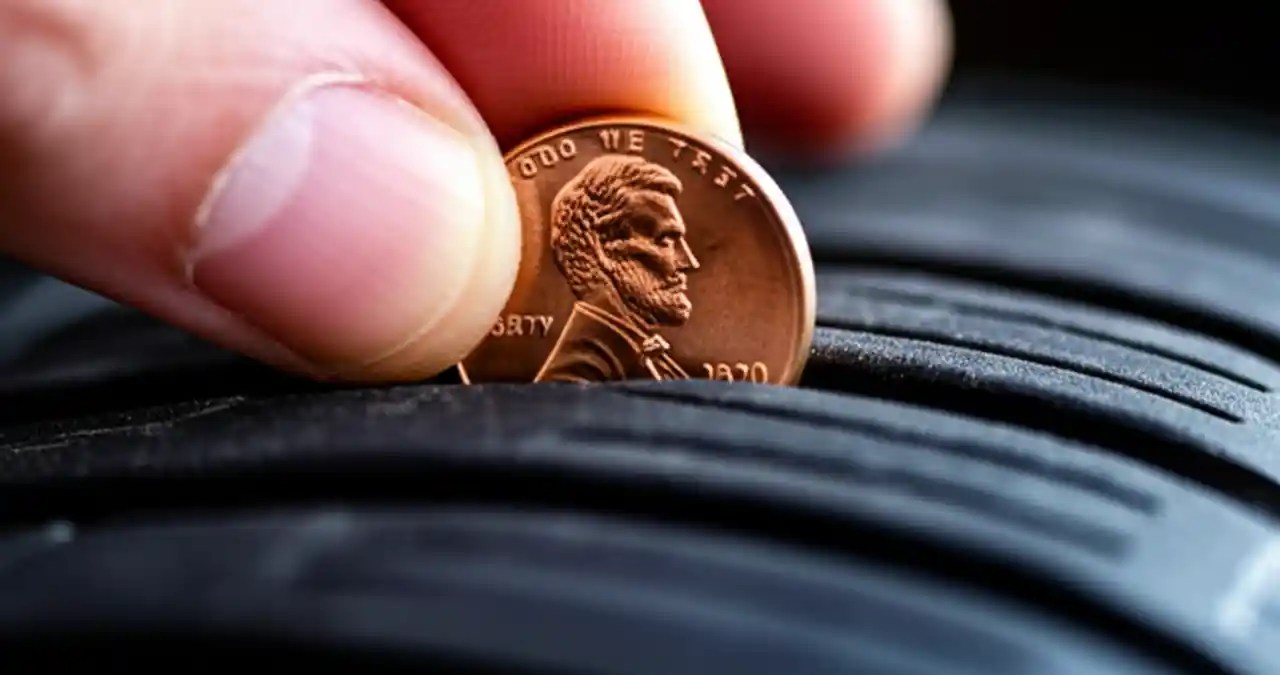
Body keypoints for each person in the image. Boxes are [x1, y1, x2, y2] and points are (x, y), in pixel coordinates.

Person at [0, 0, 952, 384]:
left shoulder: (645, 360)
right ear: (591, 254)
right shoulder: (576, 374)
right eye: (657, 238)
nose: (686, 255)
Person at [536, 155, 698, 383]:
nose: (690, 262)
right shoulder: (576, 375)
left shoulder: (634, 354)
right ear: (603, 247)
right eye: (665, 240)